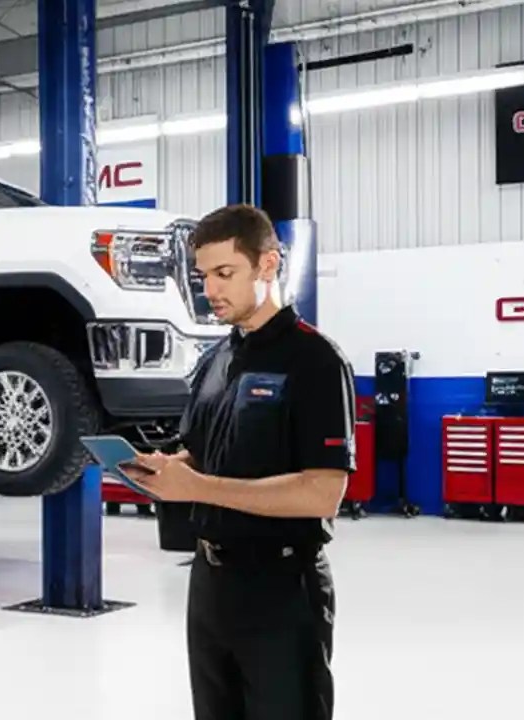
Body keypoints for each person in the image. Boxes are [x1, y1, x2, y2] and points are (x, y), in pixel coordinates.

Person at [121, 203, 356, 720]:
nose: (211, 290)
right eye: (204, 276)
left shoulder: (315, 361)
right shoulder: (216, 361)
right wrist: (162, 470)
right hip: (209, 587)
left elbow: (323, 492)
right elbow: (199, 455)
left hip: (281, 590)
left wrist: (199, 488)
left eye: (225, 274)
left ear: (268, 266)